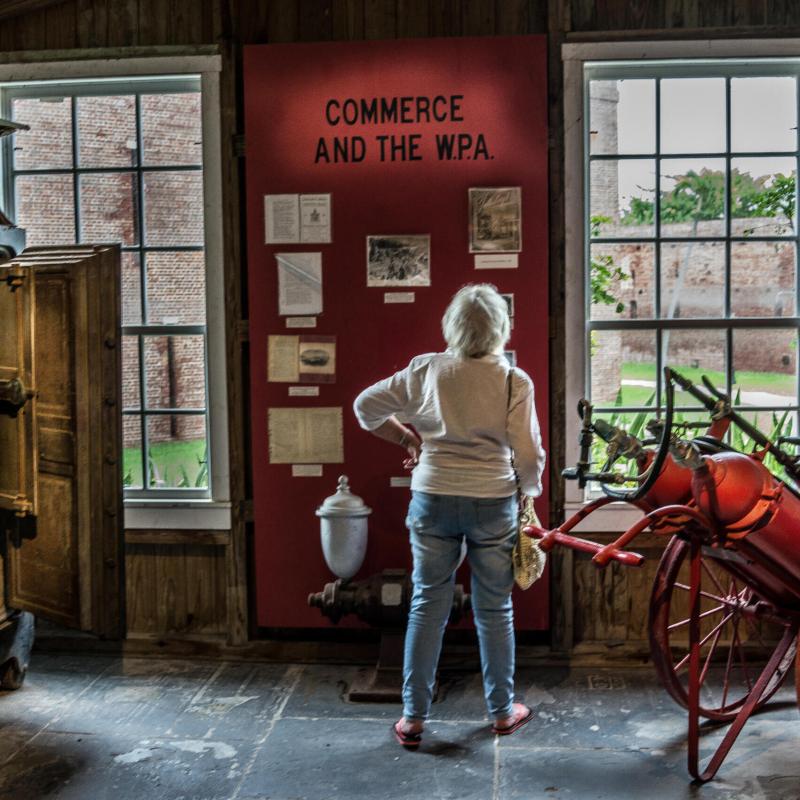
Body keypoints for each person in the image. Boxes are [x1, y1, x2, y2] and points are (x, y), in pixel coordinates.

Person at [353, 283, 546, 749]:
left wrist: (407, 440)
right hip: (492, 501)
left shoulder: (426, 368)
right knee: (494, 608)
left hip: (432, 496)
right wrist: (529, 493)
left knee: (427, 604)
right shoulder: (513, 380)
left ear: (452, 326)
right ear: (501, 328)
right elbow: (528, 451)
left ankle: (413, 718)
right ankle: (502, 712)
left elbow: (366, 408)